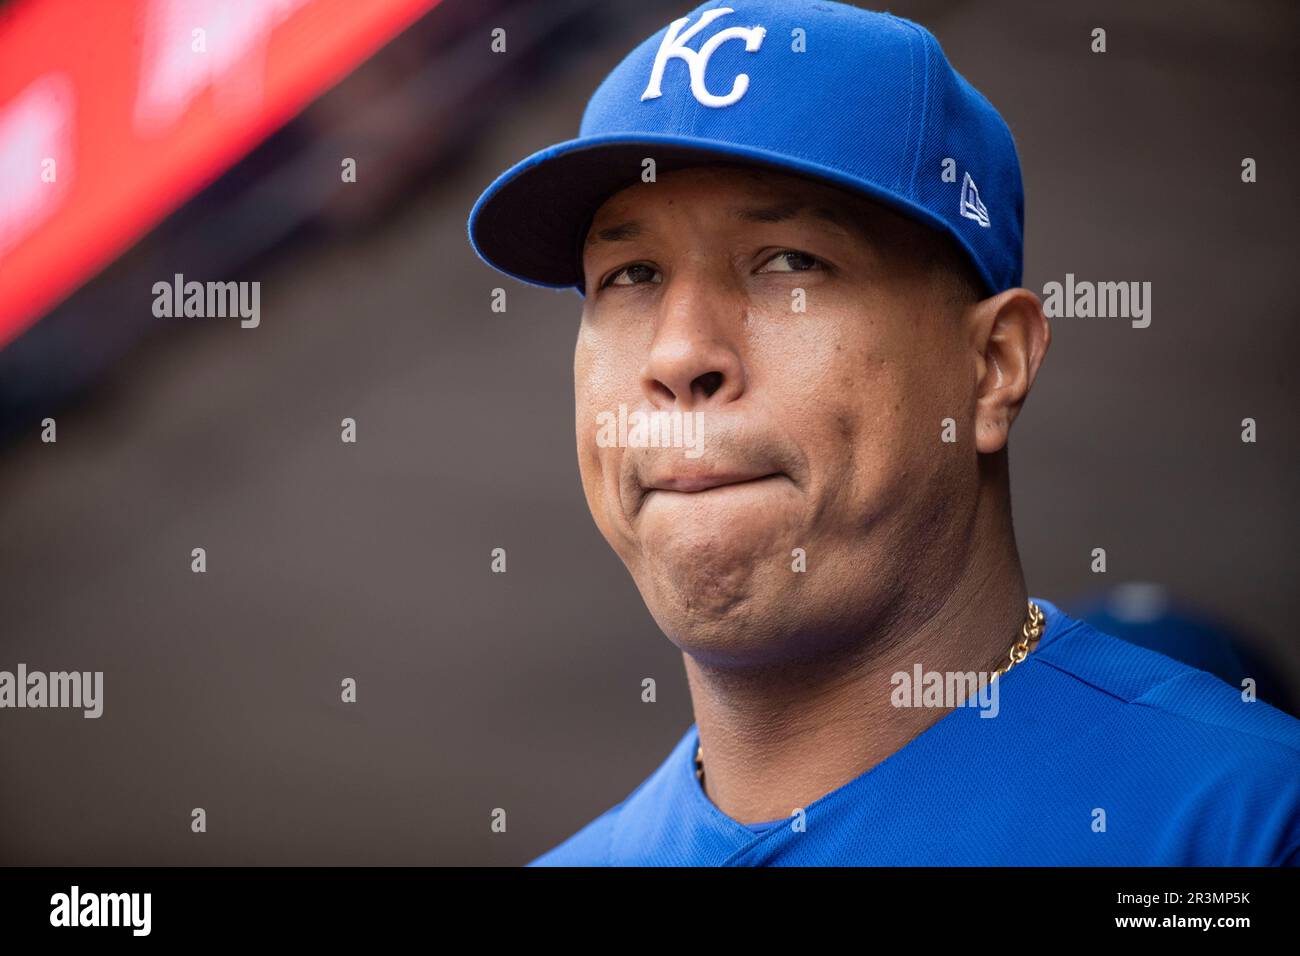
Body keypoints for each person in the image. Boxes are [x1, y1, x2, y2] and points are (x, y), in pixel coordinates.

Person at [467, 0, 1300, 865]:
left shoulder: (1242, 831)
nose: (680, 353)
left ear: (992, 365)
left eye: (790, 263)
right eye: (630, 274)